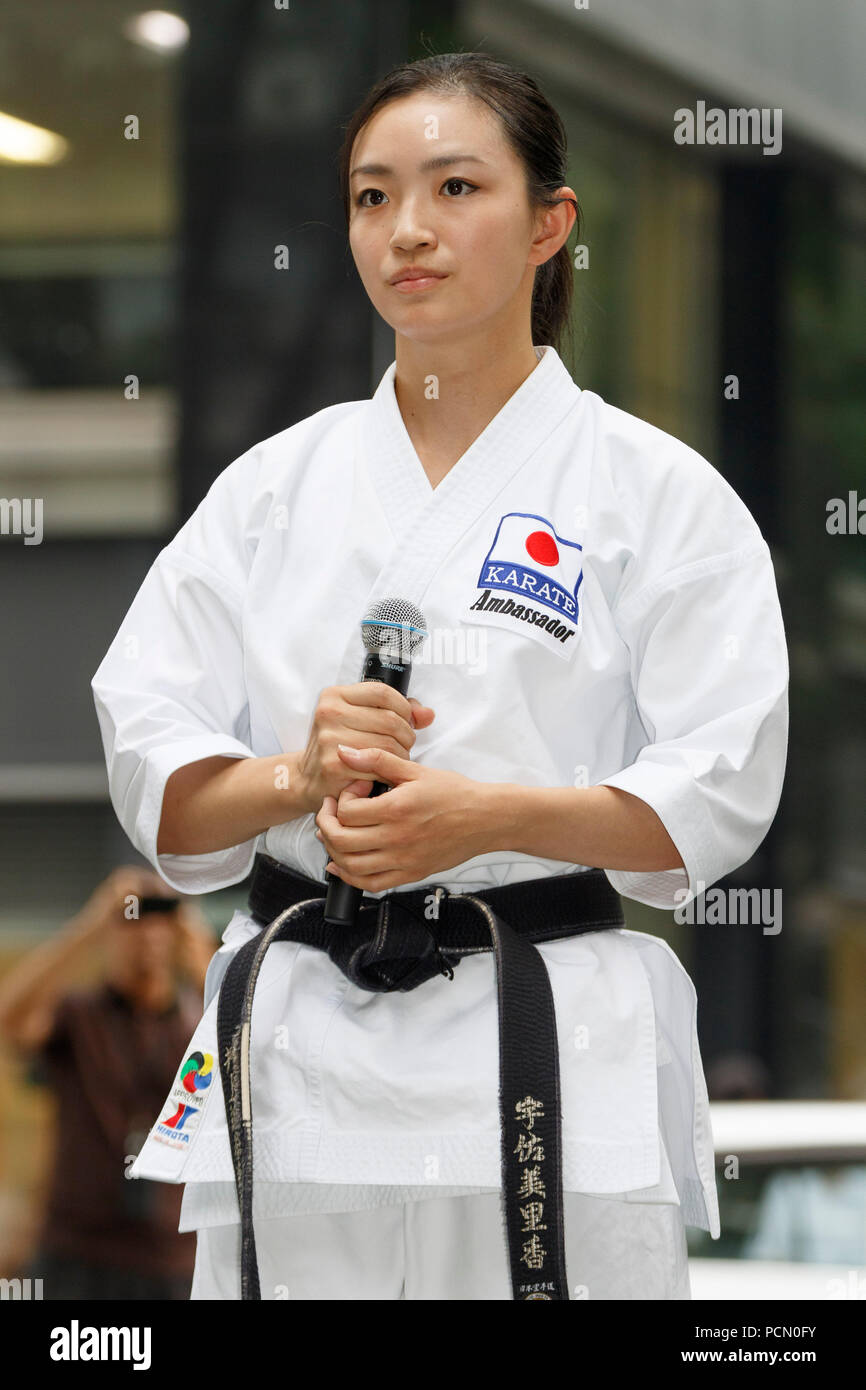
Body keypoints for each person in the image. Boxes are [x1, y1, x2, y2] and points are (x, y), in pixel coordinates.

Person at [89, 52, 789, 1300]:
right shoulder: (269, 493)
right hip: (304, 1045)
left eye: (454, 187)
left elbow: (714, 794)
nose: (405, 230)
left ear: (548, 223)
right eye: (370, 197)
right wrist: (293, 775)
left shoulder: (655, 496)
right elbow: (161, 775)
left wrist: (488, 816)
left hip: (548, 1033)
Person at [0, 866, 215, 1299]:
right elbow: (11, 1016)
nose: (146, 935)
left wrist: (195, 935)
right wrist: (90, 923)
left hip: (170, 1256)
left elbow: (248, 1037)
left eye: (160, 923)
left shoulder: (199, 1025)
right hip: (76, 1251)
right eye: (132, 922)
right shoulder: (78, 1016)